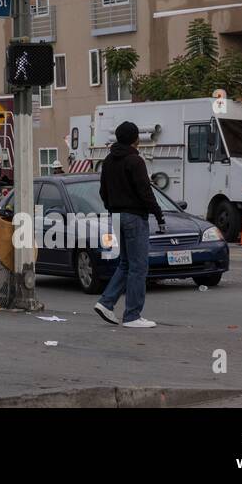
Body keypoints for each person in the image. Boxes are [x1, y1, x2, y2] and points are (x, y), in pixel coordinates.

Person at [94, 121, 165, 328]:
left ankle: (106, 303)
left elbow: (103, 191)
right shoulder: (135, 161)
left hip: (115, 216)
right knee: (138, 266)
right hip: (134, 217)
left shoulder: (108, 161)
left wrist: (112, 208)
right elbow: (145, 192)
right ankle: (132, 315)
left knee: (125, 264)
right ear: (135, 139)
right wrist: (158, 214)